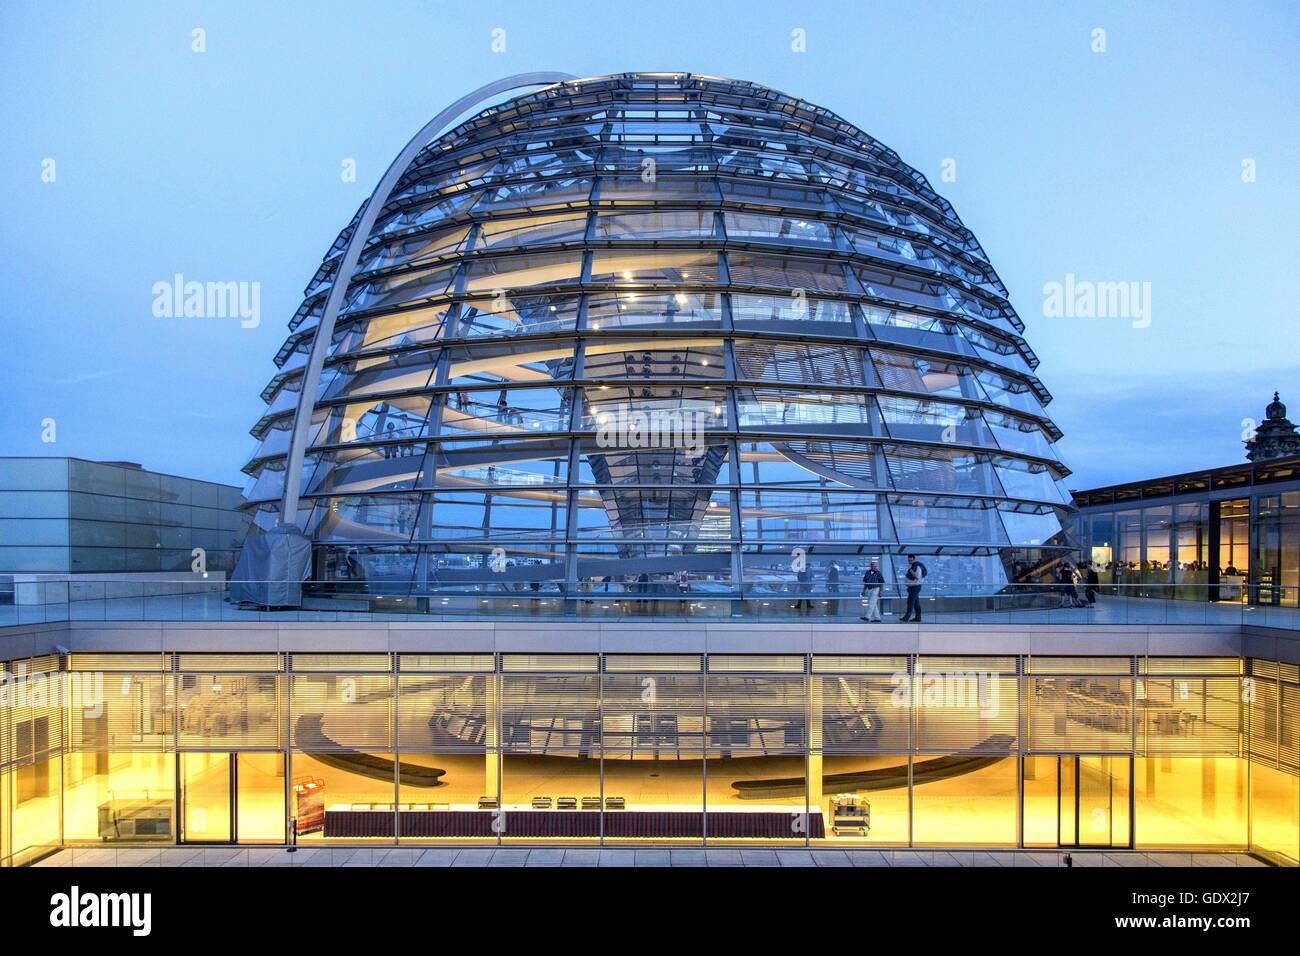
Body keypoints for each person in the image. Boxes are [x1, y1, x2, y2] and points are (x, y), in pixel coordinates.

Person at [900, 554, 927, 622]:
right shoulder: (915, 565)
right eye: (909, 560)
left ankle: (907, 617)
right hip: (914, 587)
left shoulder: (916, 566)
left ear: (914, 559)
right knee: (915, 603)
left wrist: (910, 570)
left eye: (911, 560)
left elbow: (917, 577)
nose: (910, 562)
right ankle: (918, 617)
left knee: (910, 602)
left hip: (915, 587)